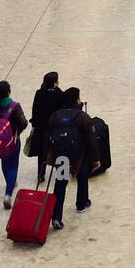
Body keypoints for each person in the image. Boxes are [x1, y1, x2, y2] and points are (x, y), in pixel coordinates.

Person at [47, 87, 101, 228]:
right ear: (77, 100)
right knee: (82, 177)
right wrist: (95, 158)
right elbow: (91, 139)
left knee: (60, 183)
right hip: (78, 155)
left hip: (61, 155)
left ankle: (56, 216)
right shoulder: (82, 117)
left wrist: (48, 154)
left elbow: (48, 136)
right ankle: (81, 203)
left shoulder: (56, 115)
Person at [0, 81, 28, 209]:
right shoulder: (14, 106)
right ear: (8, 92)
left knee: (5, 163)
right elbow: (24, 123)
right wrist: (16, 131)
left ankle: (10, 183)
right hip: (13, 140)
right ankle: (8, 194)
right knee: (14, 166)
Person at [29, 71, 63, 186]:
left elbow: (35, 109)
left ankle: (40, 175)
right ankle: (61, 173)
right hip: (55, 128)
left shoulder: (39, 93)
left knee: (42, 152)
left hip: (41, 128)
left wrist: (34, 123)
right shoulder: (59, 95)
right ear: (55, 82)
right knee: (59, 149)